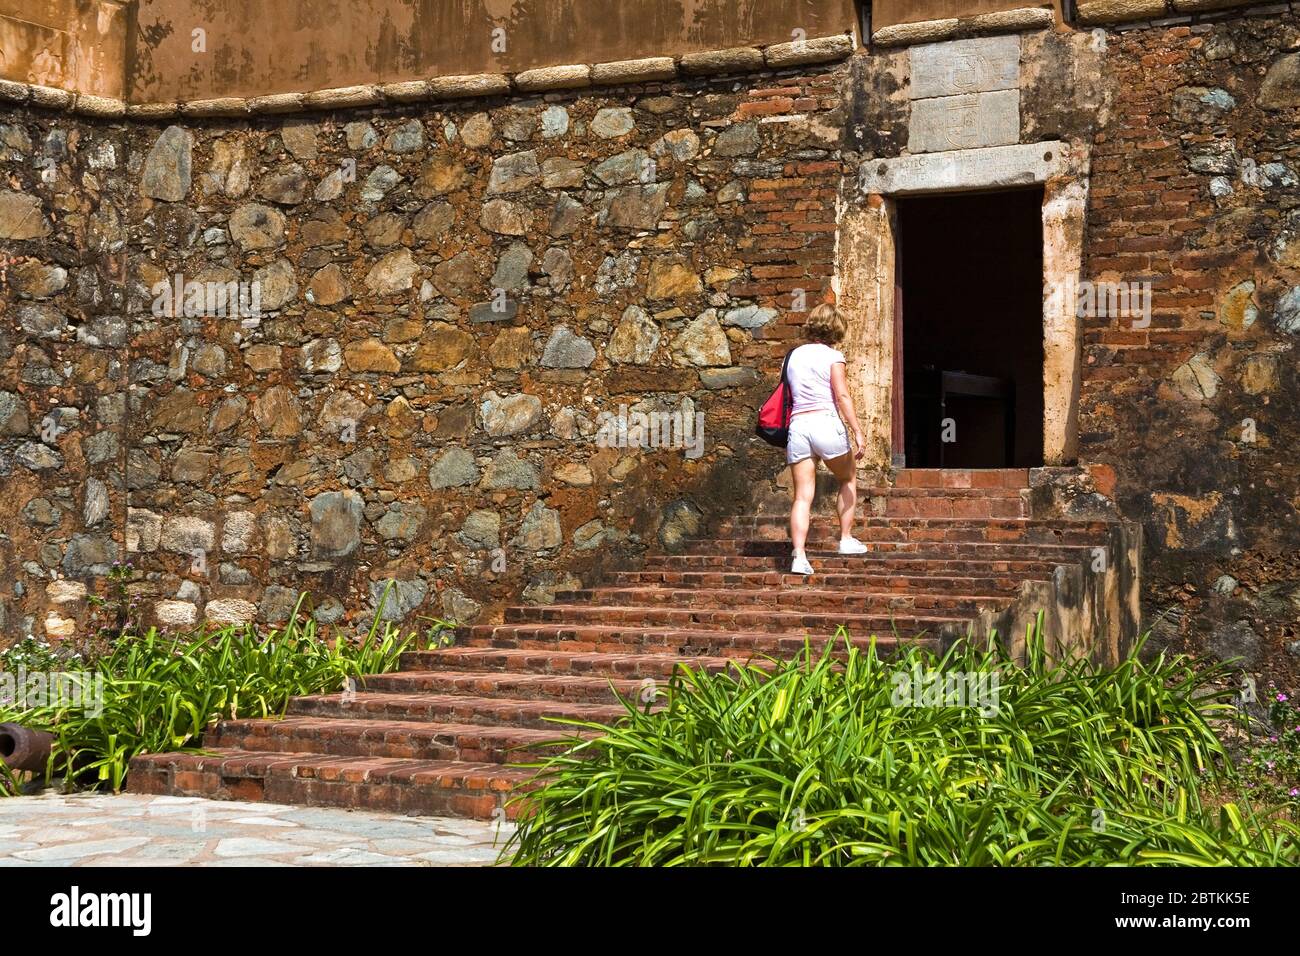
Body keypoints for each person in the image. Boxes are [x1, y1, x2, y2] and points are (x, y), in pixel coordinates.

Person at [785, 304, 867, 575]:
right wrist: (857, 430)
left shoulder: (793, 355)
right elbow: (842, 395)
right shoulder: (833, 356)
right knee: (848, 477)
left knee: (802, 496)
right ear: (836, 328)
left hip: (798, 426)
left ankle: (798, 555)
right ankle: (845, 539)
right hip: (825, 423)